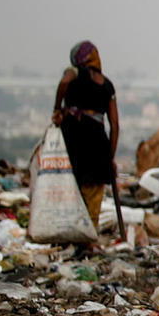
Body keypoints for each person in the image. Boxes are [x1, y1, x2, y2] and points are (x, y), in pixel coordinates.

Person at [51, 40, 120, 243]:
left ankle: (70, 237)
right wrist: (111, 156)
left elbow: (64, 82)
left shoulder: (74, 72)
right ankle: (89, 239)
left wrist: (57, 108)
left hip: (75, 137)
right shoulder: (107, 85)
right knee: (94, 193)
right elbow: (115, 125)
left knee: (74, 187)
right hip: (98, 142)